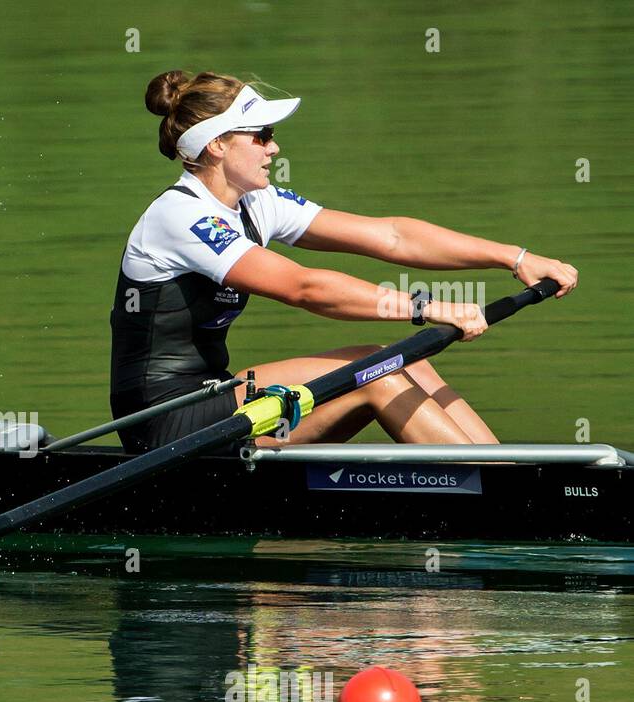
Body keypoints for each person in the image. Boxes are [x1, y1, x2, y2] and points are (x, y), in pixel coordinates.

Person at [109, 70, 578, 453]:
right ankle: (497, 495)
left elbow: (392, 237)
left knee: (410, 363)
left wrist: (515, 257)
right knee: (379, 370)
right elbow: (303, 288)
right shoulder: (180, 215)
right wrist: (425, 307)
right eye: (262, 136)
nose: (274, 148)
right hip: (162, 420)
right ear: (217, 145)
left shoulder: (258, 203)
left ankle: (508, 474)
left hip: (217, 397)